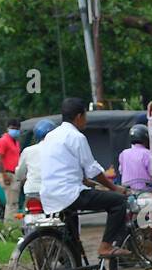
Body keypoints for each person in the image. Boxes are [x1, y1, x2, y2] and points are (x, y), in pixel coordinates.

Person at [38, 97, 131, 258]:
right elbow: (92, 169)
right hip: (70, 194)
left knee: (72, 238)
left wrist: (89, 182)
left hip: (49, 195)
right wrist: (114, 188)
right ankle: (106, 246)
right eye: (85, 117)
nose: (85, 121)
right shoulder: (76, 137)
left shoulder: (51, 136)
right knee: (118, 202)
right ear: (79, 116)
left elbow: (66, 168)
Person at [12, 119, 56, 208]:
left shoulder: (28, 151)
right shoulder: (59, 149)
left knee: (29, 214)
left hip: (32, 190)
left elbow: (20, 172)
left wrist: (20, 178)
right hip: (54, 190)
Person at [0, 118, 21, 223]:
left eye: (16, 129)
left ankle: (13, 225)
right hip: (8, 174)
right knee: (11, 203)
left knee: (14, 203)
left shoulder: (16, 142)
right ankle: (9, 226)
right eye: (12, 128)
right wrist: (4, 174)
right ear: (8, 128)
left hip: (15, 174)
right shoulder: (4, 140)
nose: (14, 130)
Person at [118, 123, 152, 192]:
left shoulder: (124, 153)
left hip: (127, 190)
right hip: (146, 189)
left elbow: (121, 171)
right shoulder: (148, 153)